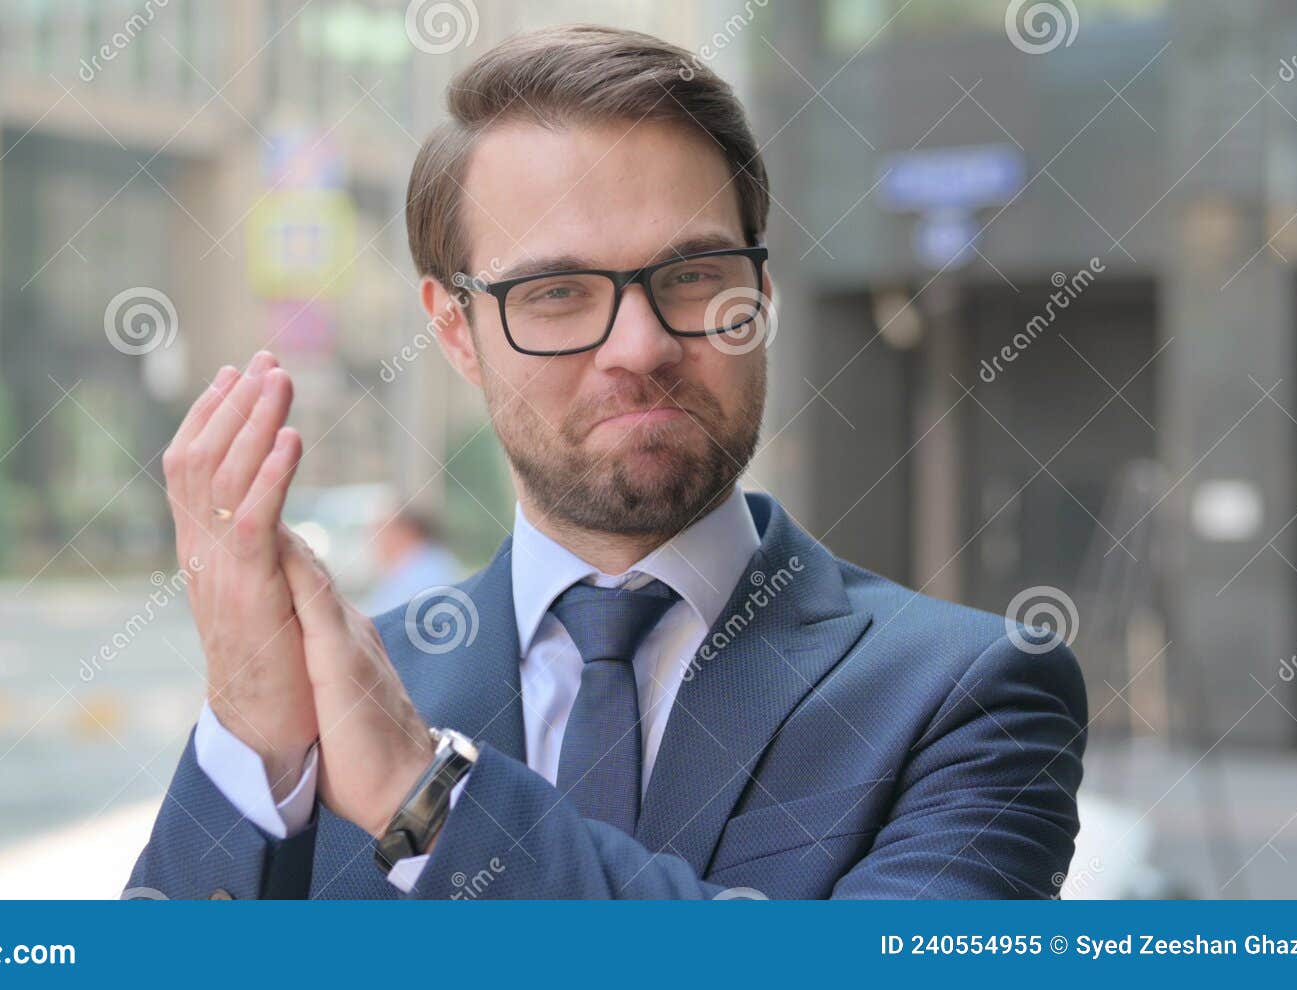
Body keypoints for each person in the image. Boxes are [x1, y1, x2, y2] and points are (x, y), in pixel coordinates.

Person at [128, 24, 1086, 900]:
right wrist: (252, 736)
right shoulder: (340, 698)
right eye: (557, 292)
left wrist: (429, 800)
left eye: (693, 276)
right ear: (454, 330)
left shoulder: (969, 694)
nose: (640, 347)